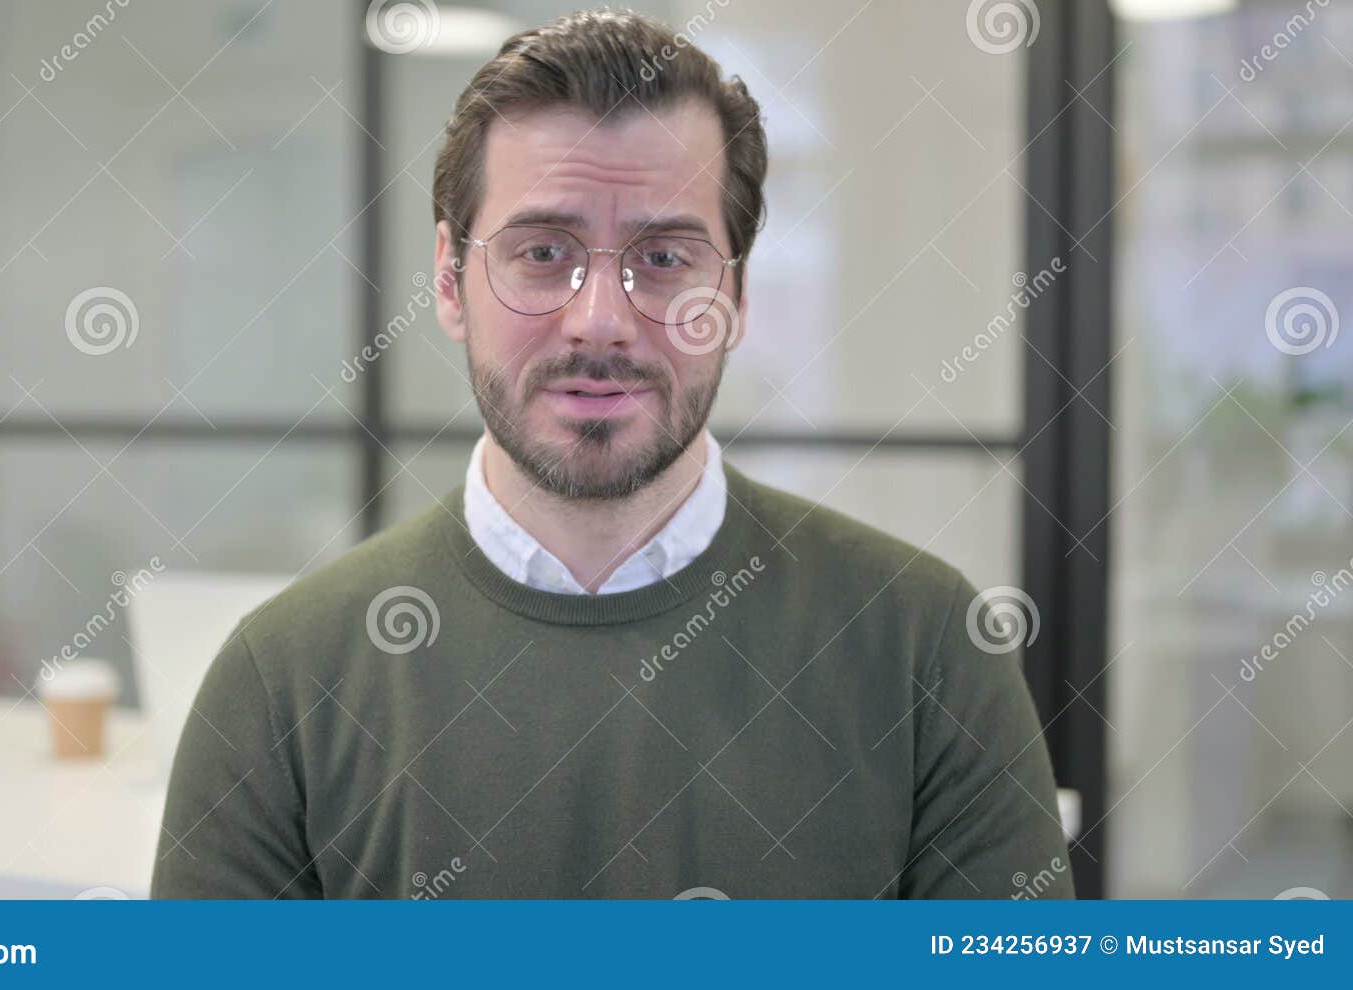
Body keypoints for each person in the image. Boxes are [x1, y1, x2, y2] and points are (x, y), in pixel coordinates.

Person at [151, 8, 1073, 900]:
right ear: (448, 279)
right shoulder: (282, 680)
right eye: (543, 251)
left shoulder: (924, 648)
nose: (600, 320)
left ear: (739, 295)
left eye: (666, 259)